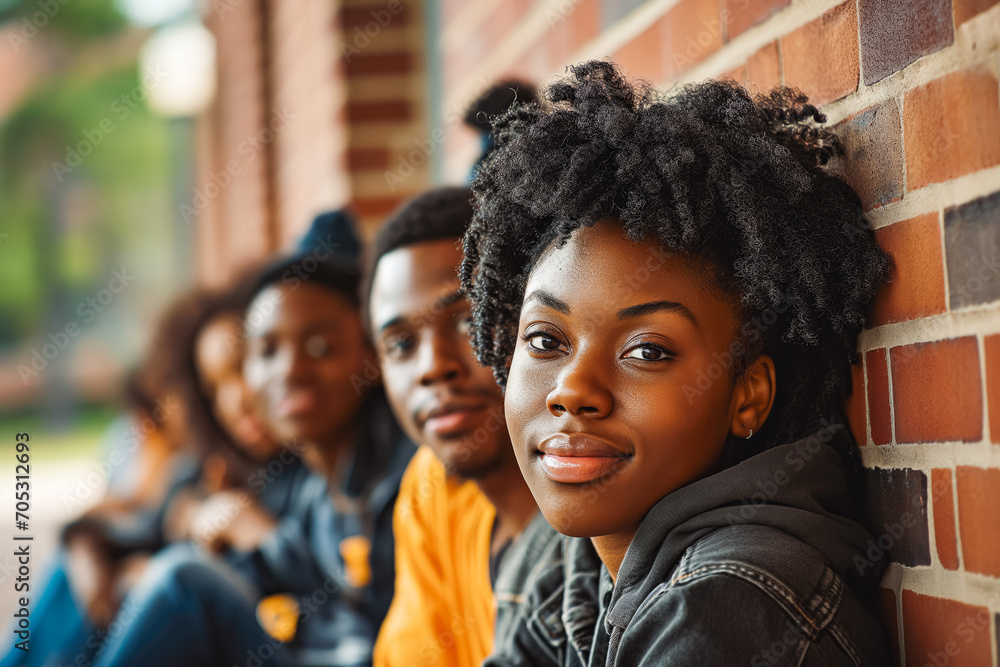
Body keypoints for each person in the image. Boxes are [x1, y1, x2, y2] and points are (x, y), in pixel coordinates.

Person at [461, 61, 893, 665]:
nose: (573, 390)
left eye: (647, 351)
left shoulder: (728, 604)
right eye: (545, 340)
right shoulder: (580, 564)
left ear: (747, 396)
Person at [87, 213, 414, 667]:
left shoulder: (400, 480)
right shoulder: (322, 485)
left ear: (372, 353)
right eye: (266, 352)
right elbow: (262, 569)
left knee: (184, 582)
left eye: (320, 347)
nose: (290, 371)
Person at [366, 187, 558, 667]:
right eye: (401, 343)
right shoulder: (431, 488)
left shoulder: (609, 521)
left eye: (465, 321)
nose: (433, 367)